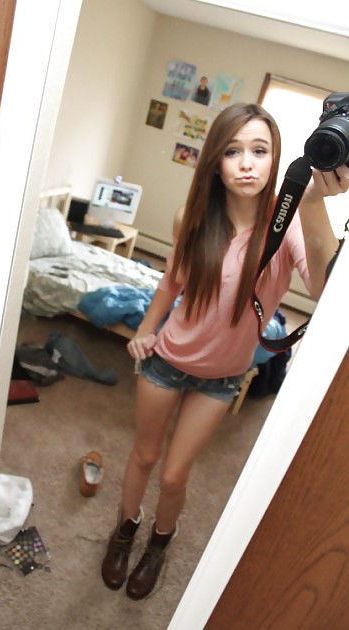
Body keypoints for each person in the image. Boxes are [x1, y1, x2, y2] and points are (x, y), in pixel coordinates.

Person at [101, 102, 348, 600]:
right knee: (144, 455)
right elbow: (171, 283)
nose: (247, 164)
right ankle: (125, 529)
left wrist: (313, 204)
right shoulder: (191, 217)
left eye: (260, 150)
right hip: (166, 361)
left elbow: (326, 294)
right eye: (233, 152)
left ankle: (160, 542)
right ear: (215, 161)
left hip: (222, 378)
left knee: (175, 474)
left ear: (277, 158)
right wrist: (145, 330)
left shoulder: (288, 223)